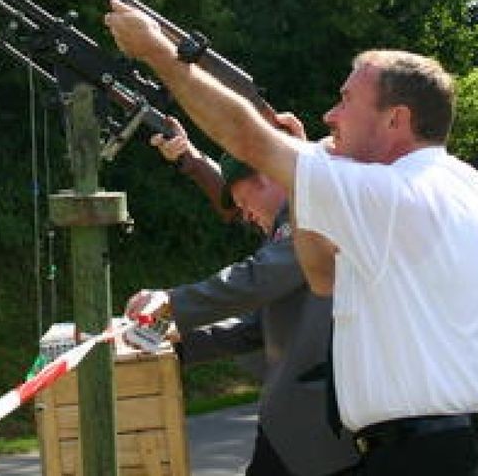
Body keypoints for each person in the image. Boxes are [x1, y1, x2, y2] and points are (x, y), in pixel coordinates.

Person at [104, 0, 478, 475]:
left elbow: (247, 138)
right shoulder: (458, 181)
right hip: (450, 450)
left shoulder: (392, 195)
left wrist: (158, 52)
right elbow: (321, 274)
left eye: (346, 101)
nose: (330, 115)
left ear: (395, 119)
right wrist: (307, 177)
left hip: (426, 458)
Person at [125, 117, 359, 476]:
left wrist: (170, 301)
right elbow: (254, 327)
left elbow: (254, 280)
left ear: (264, 178)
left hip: (319, 417)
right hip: (298, 421)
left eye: (243, 201)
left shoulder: (310, 216)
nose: (245, 215)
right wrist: (178, 340)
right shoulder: (289, 222)